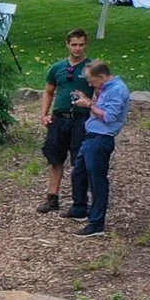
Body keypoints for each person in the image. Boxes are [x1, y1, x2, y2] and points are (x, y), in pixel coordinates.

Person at [74, 60, 131, 236]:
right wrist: (87, 99)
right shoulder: (106, 88)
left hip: (101, 139)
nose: (90, 84)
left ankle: (96, 224)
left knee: (97, 180)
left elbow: (108, 117)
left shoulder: (117, 90)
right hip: (91, 136)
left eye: (91, 81)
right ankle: (80, 209)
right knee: (78, 173)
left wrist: (89, 104)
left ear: (102, 76)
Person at [39, 28, 92, 214]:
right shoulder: (57, 68)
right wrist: (44, 114)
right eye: (74, 45)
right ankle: (52, 198)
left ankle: (80, 202)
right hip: (60, 119)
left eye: (81, 45)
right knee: (55, 158)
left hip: (81, 119)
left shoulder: (91, 68)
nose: (77, 49)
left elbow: (101, 93)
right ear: (67, 45)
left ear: (86, 45)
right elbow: (48, 91)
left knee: (80, 160)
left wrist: (91, 104)